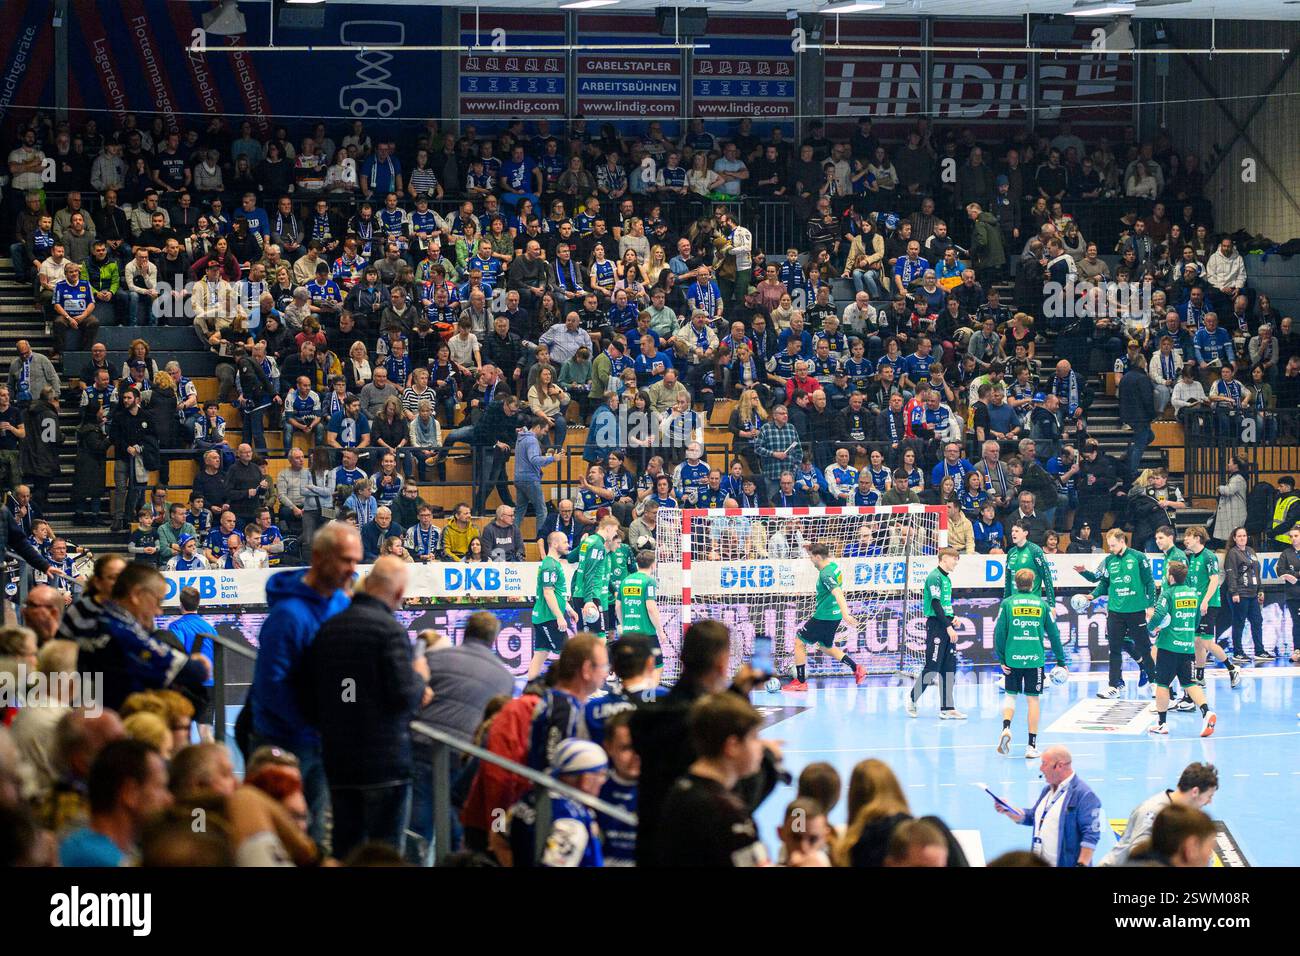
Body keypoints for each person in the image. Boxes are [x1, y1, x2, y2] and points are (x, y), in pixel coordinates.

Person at [300, 556, 428, 859]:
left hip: (339, 759)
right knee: (384, 853)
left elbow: (308, 694)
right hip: (386, 764)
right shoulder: (390, 631)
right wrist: (421, 678)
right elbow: (404, 696)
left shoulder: (329, 628)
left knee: (346, 846)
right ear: (397, 595)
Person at [247, 521, 359, 846]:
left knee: (317, 838)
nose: (353, 570)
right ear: (320, 557)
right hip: (284, 741)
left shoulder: (342, 603)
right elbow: (272, 687)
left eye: (356, 560)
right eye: (345, 560)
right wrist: (317, 721)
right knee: (277, 837)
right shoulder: (288, 615)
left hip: (323, 742)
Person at [408, 612, 513, 861]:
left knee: (418, 825)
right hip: (463, 753)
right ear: (494, 639)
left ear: (465, 632)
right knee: (454, 825)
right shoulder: (505, 677)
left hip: (424, 744)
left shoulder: (436, 657)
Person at [654, 691, 770, 867]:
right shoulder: (727, 813)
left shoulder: (679, 790)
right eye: (754, 737)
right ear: (732, 746)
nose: (761, 745)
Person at [76, 562, 210, 714]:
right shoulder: (120, 629)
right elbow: (193, 671)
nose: (159, 611)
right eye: (157, 601)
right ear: (136, 595)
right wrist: (198, 664)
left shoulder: (96, 619)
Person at [59, 738, 172, 867]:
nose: (169, 800)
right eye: (160, 787)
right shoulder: (97, 860)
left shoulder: (80, 843)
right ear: (130, 793)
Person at [995, 568, 1070, 759]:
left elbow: (999, 633)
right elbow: (1054, 635)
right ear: (1034, 583)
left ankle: (1006, 728)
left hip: (1013, 658)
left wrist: (1002, 659)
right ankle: (1031, 746)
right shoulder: (1042, 605)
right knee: (1032, 700)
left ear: (1015, 584)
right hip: (1034, 659)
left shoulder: (1008, 603)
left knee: (1011, 696)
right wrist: (1061, 660)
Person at [1078, 527, 1157, 698]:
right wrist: (1092, 594)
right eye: (1109, 545)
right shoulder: (1109, 560)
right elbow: (1103, 583)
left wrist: (1151, 606)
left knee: (1144, 648)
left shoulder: (1138, 557)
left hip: (1136, 610)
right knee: (1114, 649)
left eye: (1113, 545)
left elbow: (1150, 582)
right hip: (1115, 612)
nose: (1111, 549)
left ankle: (1154, 682)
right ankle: (1114, 685)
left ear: (1122, 541)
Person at [506, 738, 608, 868]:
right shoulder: (571, 823)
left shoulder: (532, 797)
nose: (603, 781)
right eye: (601, 774)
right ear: (586, 779)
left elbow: (497, 833)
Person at [992, 745, 1101, 867]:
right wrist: (1009, 810)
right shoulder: (1047, 791)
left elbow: (1091, 835)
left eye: (1044, 764)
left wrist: (1082, 864)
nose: (1041, 768)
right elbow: (1033, 817)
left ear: (1059, 765)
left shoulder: (1084, 795)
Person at [1147, 562, 1218, 738]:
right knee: (1189, 682)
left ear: (1171, 577)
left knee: (1162, 684)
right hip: (1187, 646)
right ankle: (1206, 711)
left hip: (1168, 646)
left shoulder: (1168, 593)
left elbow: (1158, 615)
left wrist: (1151, 627)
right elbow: (1196, 619)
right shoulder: (1193, 593)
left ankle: (1162, 723)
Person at [1100, 762, 1218, 867]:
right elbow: (1142, 857)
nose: (1209, 802)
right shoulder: (1152, 811)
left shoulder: (1184, 814)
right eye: (1209, 796)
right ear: (1195, 792)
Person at [785, 543, 866, 691]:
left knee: (799, 642)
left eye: (811, 557)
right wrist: (810, 546)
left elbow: (838, 592)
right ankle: (857, 668)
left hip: (824, 616)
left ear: (817, 557)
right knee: (825, 646)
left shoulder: (825, 574)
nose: (810, 560)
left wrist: (846, 613)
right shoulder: (833, 566)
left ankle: (801, 682)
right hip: (834, 616)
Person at [1182, 525, 1242, 696]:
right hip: (1196, 604)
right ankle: (1200, 676)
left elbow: (1214, 580)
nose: (1186, 539)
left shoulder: (1209, 556)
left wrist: (1205, 601)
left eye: (1189, 536)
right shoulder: (1192, 557)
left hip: (1209, 605)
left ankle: (1232, 668)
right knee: (1197, 641)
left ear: (1198, 538)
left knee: (1207, 642)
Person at [906, 547, 965, 718]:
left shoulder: (946, 579)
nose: (956, 562)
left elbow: (945, 606)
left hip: (945, 623)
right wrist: (947, 626)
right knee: (932, 667)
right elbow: (936, 605)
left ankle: (947, 708)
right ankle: (911, 699)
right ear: (944, 558)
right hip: (937, 626)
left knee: (949, 668)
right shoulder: (934, 577)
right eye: (954, 559)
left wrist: (953, 618)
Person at [164, 586, 217, 742]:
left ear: (181, 604)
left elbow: (177, 651)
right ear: (198, 604)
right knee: (205, 731)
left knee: (181, 729)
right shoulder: (209, 628)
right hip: (208, 683)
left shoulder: (176, 626)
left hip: (186, 685)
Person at [527, 531, 580, 681]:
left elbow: (557, 592)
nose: (567, 545)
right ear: (555, 544)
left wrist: (569, 609)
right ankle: (570, 688)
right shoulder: (549, 565)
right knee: (567, 654)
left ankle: (529, 687)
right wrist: (559, 617)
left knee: (540, 654)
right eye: (564, 542)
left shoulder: (554, 563)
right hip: (548, 617)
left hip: (545, 616)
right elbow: (548, 593)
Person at [570, 516, 621, 640]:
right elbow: (590, 573)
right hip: (590, 595)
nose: (615, 534)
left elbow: (571, 558)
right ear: (608, 528)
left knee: (586, 638)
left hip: (580, 593)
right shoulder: (598, 544)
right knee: (600, 637)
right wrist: (589, 600)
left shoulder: (589, 541)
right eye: (615, 531)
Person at [1223, 526, 1268, 663]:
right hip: (1240, 594)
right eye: (1239, 536)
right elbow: (1231, 574)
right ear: (1235, 538)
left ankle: (1259, 651)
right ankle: (1238, 652)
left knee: (1257, 621)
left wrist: (1260, 590)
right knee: (1239, 623)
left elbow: (1257, 572)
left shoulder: (1250, 551)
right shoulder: (1232, 553)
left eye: (1244, 535)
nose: (1242, 538)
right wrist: (1234, 592)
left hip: (1253, 594)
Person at [618, 550, 666, 668]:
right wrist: (660, 631)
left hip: (629, 632)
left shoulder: (625, 581)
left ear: (637, 564)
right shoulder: (649, 581)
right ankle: (650, 687)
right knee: (657, 666)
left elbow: (618, 606)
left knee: (633, 666)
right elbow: (651, 608)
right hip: (646, 633)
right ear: (653, 564)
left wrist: (624, 625)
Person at [1003, 520, 1054, 603]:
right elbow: (1007, 581)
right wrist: (1005, 603)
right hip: (1014, 603)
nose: (1013, 534)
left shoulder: (1035, 551)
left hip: (1032, 602)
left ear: (1025, 533)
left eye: (1017, 531)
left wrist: (1051, 604)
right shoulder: (1011, 552)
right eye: (1012, 531)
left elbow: (1047, 577)